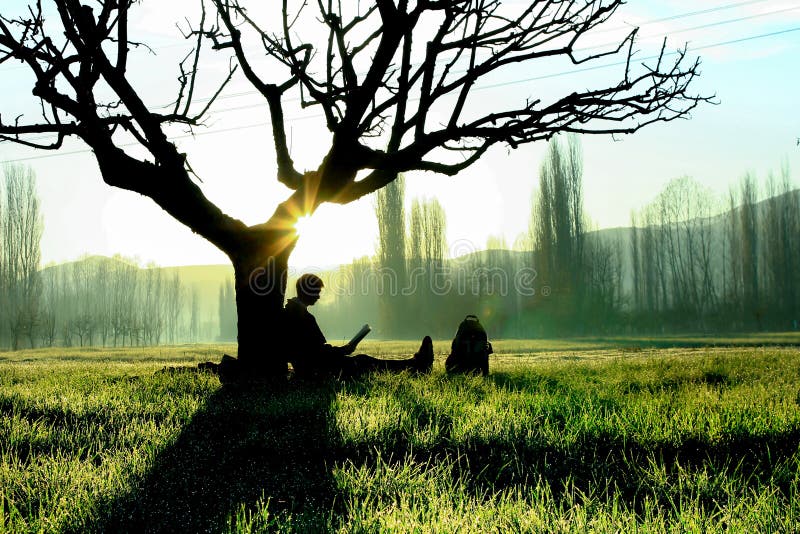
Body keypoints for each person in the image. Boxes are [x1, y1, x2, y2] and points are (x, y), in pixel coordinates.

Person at [284, 274, 434, 378]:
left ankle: (414, 365)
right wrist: (343, 350)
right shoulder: (302, 317)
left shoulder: (293, 312)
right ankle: (415, 366)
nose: (318, 296)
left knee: (364, 361)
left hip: (314, 367)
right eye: (316, 292)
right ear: (307, 291)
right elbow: (316, 353)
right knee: (364, 362)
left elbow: (314, 350)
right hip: (317, 370)